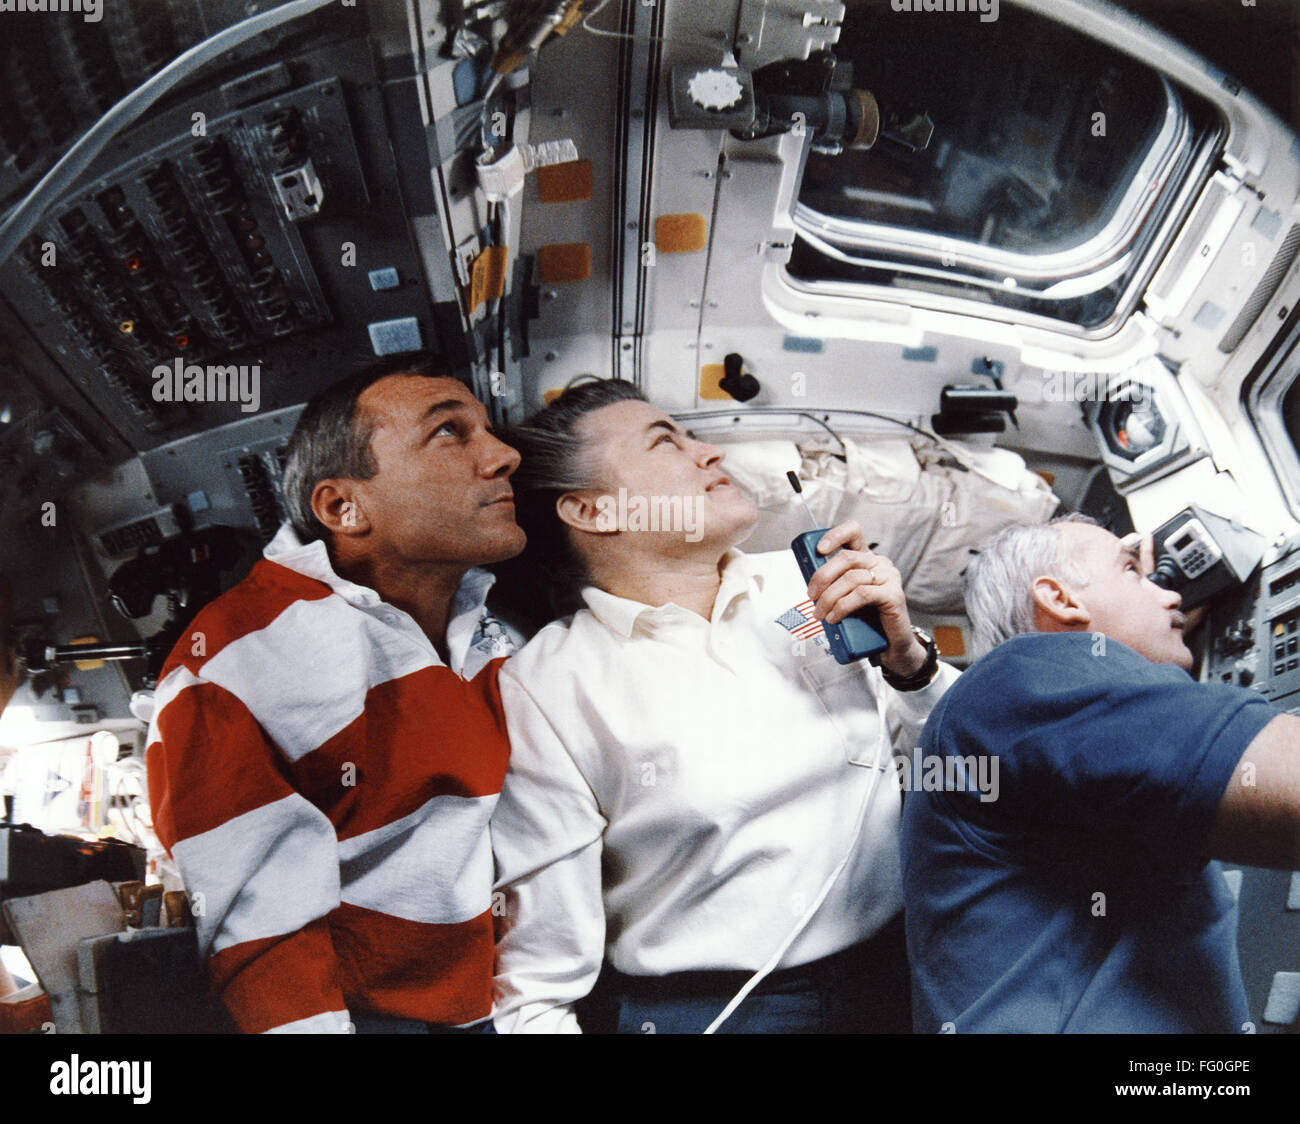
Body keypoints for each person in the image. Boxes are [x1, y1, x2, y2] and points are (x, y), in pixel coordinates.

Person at [489, 379, 958, 1033]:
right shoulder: (547, 686)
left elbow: (969, 767)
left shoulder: (811, 584)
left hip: (908, 965)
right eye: (665, 443)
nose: (709, 452)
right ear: (593, 512)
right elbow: (534, 988)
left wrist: (911, 665)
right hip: (721, 1011)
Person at [145, 357, 526, 1034]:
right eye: (450, 432)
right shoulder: (235, 659)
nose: (503, 456)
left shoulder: (495, 636)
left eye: (489, 431)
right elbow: (262, 945)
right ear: (342, 507)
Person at [901, 515, 1300, 1033]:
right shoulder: (1033, 676)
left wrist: (1146, 614)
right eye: (1134, 571)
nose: (1173, 597)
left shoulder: (1009, 711)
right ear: (1061, 600)